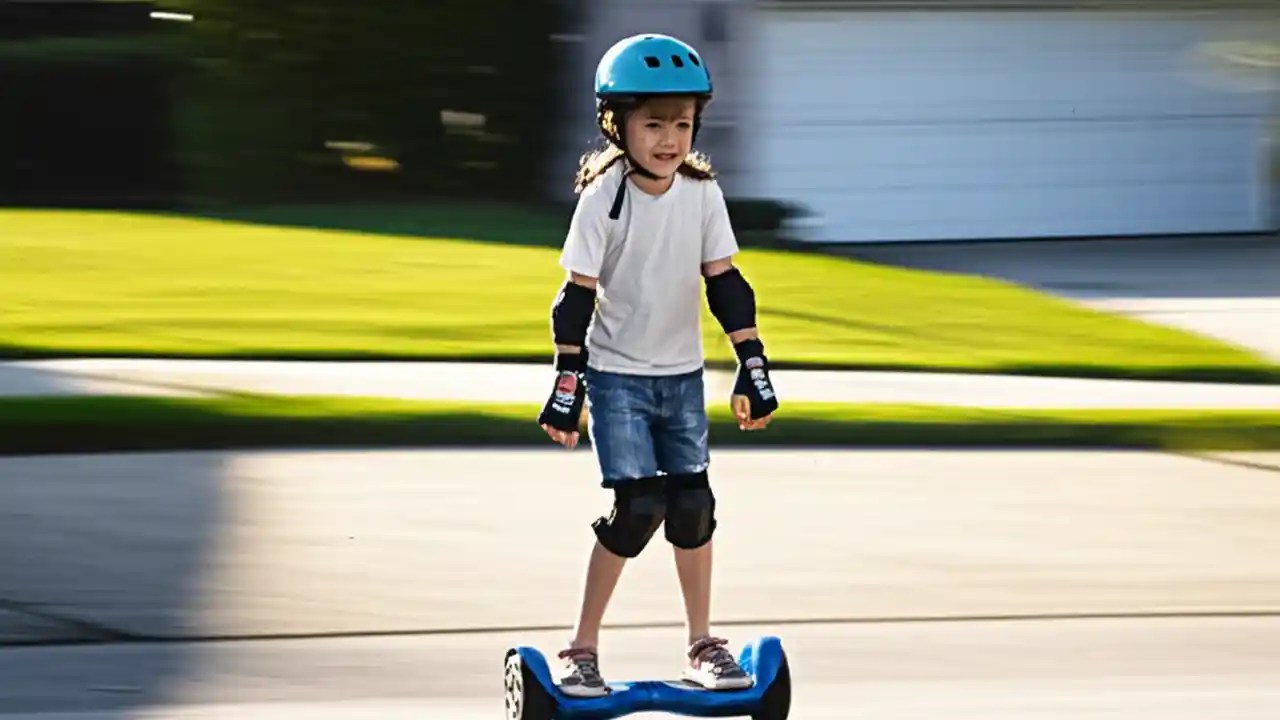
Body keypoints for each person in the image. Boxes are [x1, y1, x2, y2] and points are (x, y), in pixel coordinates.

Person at [537, 33, 780, 698]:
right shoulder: (603, 199)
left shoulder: (702, 194)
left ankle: (703, 644)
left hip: (681, 377)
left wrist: (752, 366)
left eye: (682, 123)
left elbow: (725, 282)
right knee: (637, 508)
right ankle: (580, 649)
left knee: (694, 506)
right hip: (617, 378)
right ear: (617, 126)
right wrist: (567, 386)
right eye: (653, 124)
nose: (670, 139)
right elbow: (574, 298)